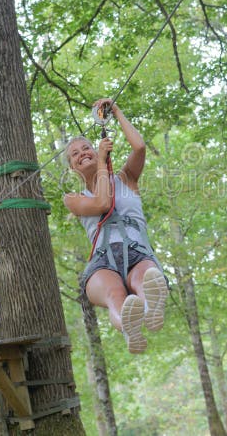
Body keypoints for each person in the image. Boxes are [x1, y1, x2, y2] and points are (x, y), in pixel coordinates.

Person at [64, 98, 168, 354]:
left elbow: (139, 147)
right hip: (103, 261)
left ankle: (151, 309)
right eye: (75, 154)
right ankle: (129, 328)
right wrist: (101, 160)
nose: (82, 153)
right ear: (72, 168)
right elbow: (102, 203)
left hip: (137, 251)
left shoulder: (126, 179)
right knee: (114, 295)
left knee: (145, 280)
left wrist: (116, 111)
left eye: (86, 148)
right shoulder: (73, 199)